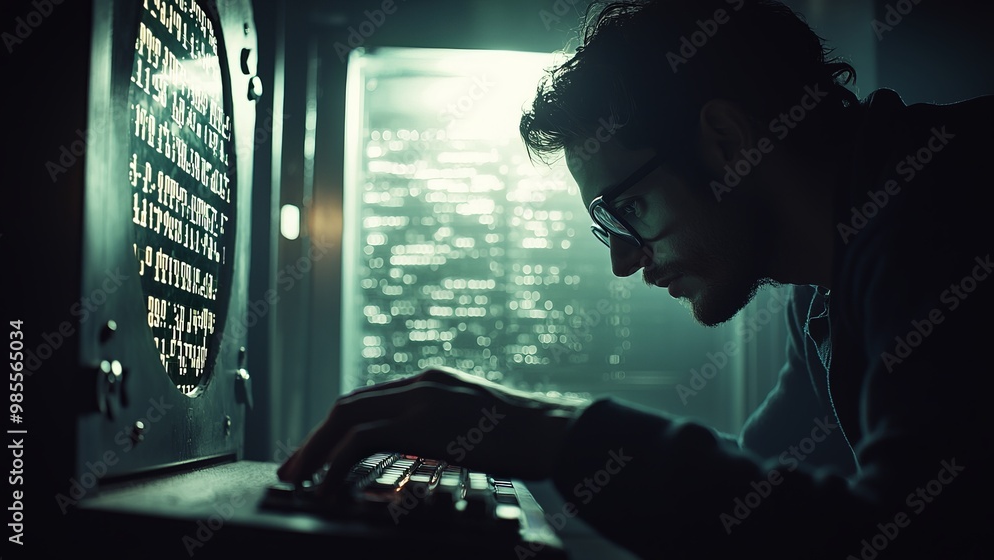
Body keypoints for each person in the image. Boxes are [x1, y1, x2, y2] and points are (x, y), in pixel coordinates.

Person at [279, 1, 992, 557]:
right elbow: (759, 502)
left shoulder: (943, 209)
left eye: (627, 211)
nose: (624, 262)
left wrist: (553, 433)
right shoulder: (829, 288)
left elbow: (911, 541)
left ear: (727, 142)